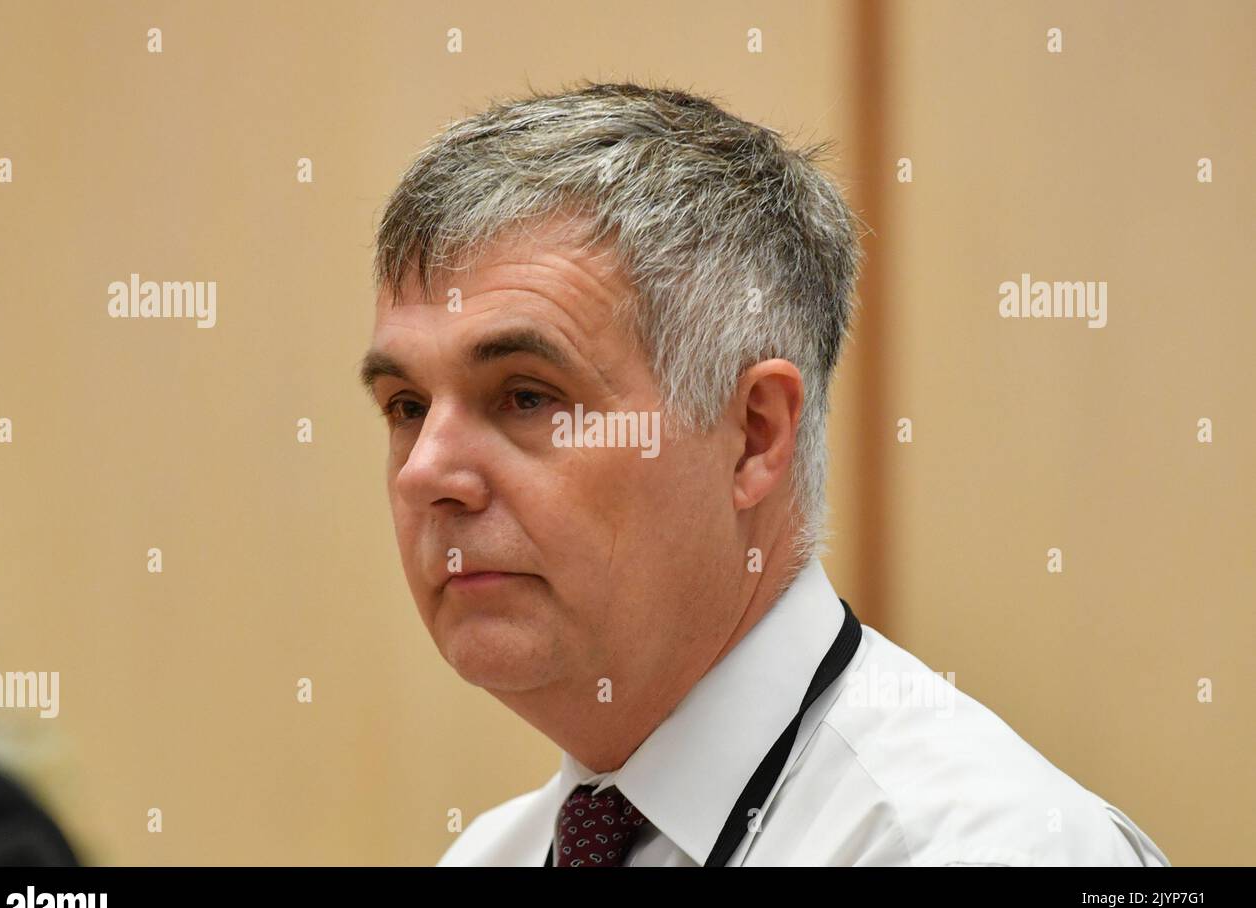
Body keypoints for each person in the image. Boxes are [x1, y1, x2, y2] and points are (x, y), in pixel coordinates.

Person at [360, 81, 1169, 866]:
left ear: (753, 436)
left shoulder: (984, 850)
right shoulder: (491, 854)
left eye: (527, 396)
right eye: (405, 406)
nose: (426, 472)